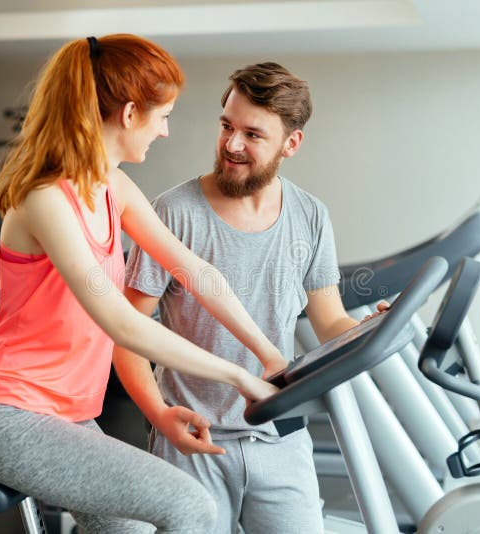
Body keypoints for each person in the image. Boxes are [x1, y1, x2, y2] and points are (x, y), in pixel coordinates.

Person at [0, 36, 289, 534]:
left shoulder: (111, 185)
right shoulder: (46, 199)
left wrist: (268, 355)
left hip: (70, 420)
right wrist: (237, 376)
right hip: (9, 420)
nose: (166, 131)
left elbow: (195, 271)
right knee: (190, 507)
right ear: (131, 113)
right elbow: (121, 322)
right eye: (163, 116)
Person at [114, 62, 384, 534]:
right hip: (193, 438)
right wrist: (158, 415)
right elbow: (126, 331)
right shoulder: (174, 213)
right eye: (226, 126)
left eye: (253, 134)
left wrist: (371, 330)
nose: (232, 145)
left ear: (290, 144)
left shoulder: (310, 216)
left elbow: (329, 321)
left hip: (278, 433)